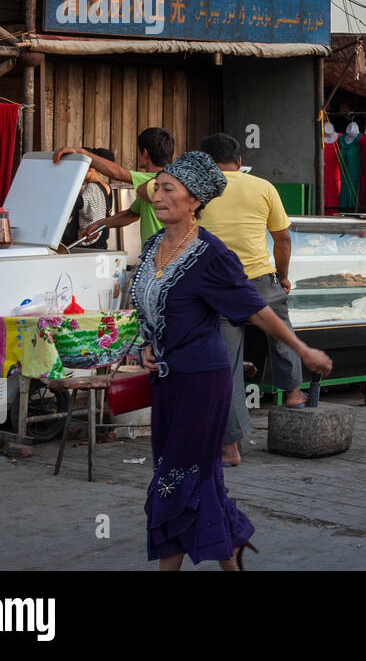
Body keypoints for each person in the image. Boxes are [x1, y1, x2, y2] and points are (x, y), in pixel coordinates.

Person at [132, 151, 332, 570]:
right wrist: (148, 342)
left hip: (203, 380)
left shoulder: (210, 254)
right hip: (166, 381)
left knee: (176, 477)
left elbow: (257, 308)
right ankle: (231, 548)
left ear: (194, 201)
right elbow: (151, 306)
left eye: (169, 189)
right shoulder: (152, 244)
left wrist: (302, 350)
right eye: (157, 186)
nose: (157, 194)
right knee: (195, 475)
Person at [196, 133, 302, 467]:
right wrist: (282, 276)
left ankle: (231, 448)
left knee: (226, 367)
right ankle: (295, 395)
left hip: (218, 287)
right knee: (282, 335)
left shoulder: (197, 190)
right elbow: (282, 239)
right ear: (239, 162)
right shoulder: (262, 187)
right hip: (260, 281)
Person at [55, 127, 175, 244]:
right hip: (154, 256)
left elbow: (118, 173)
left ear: (144, 152)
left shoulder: (154, 181)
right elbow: (131, 215)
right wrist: (99, 224)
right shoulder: (156, 185)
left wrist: (82, 153)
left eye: (137, 151)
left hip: (164, 256)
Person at [62, 147, 114, 250]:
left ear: (90, 167)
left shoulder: (93, 187)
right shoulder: (104, 187)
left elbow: (80, 204)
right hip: (98, 244)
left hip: (88, 245)